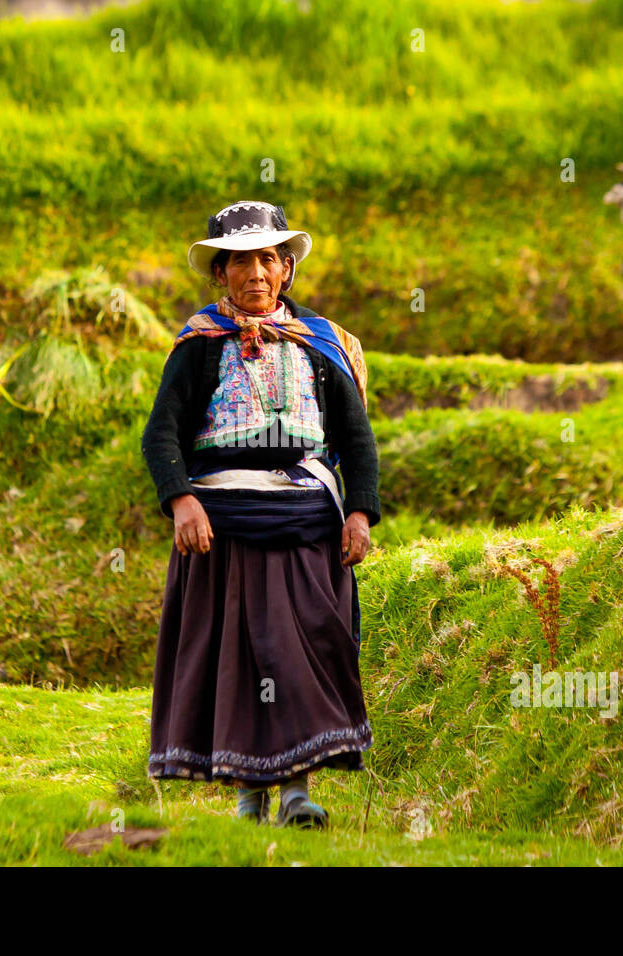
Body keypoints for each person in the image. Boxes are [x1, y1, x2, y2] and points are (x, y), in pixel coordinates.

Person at [140, 200, 381, 827]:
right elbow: (160, 435)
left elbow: (356, 440)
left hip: (307, 525)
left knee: (299, 653)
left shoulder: (322, 346)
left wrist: (360, 513)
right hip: (223, 531)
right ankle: (252, 796)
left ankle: (296, 792)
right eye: (240, 261)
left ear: (286, 272)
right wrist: (181, 499)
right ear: (219, 275)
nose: (255, 273)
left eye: (267, 259)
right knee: (240, 658)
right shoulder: (199, 346)